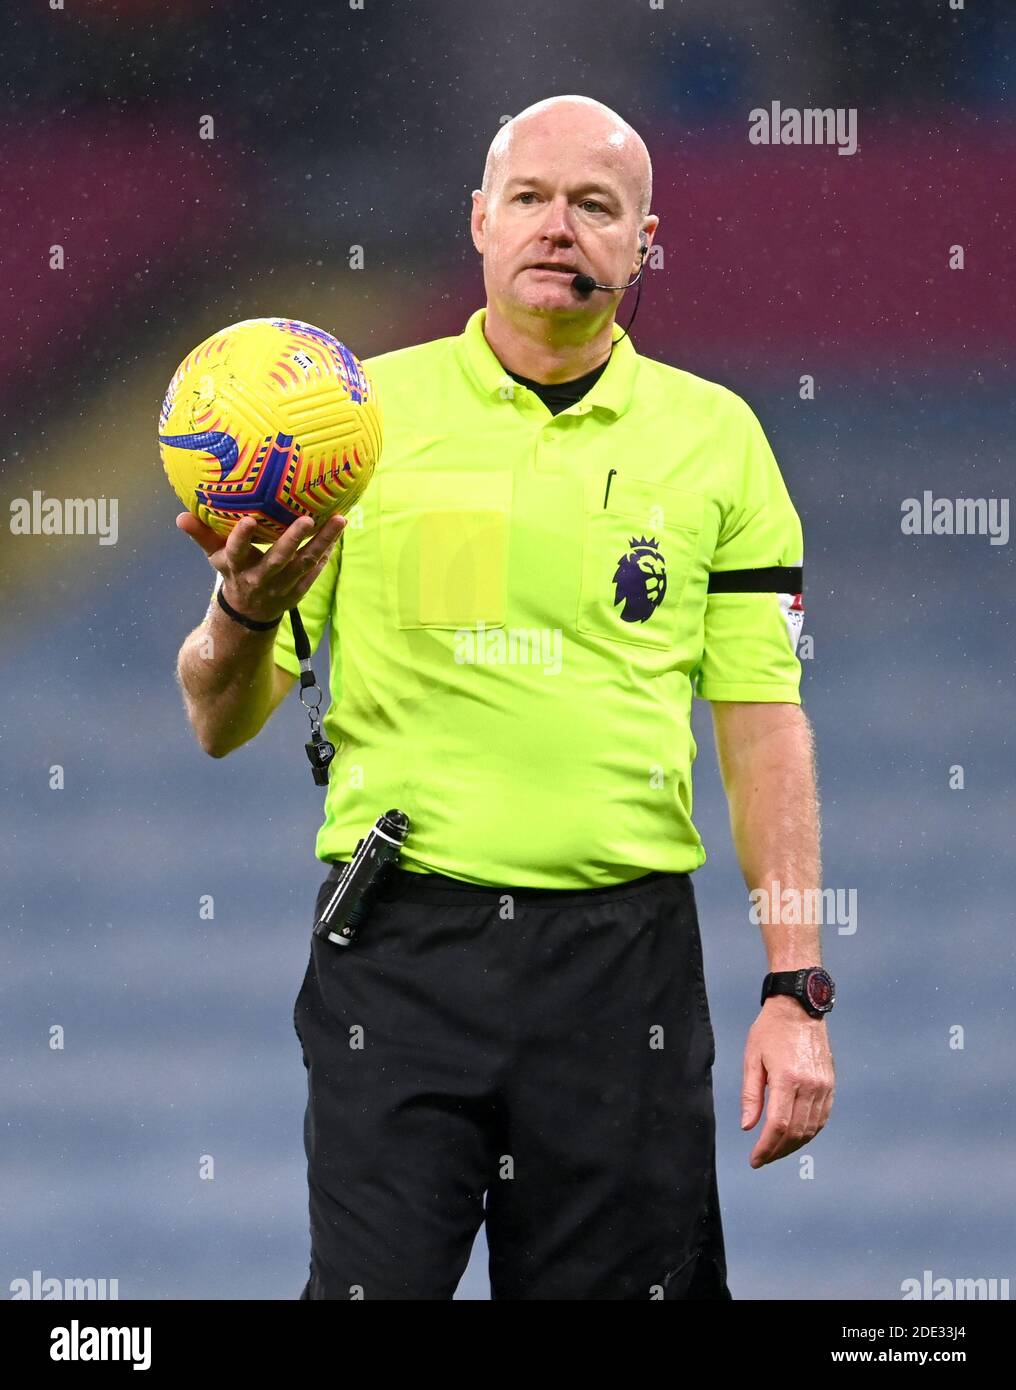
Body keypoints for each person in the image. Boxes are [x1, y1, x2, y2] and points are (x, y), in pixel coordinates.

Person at [175, 94, 836, 1301]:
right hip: (401, 953)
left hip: (619, 967)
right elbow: (217, 718)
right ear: (477, 220)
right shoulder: (349, 425)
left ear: (645, 242)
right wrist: (244, 607)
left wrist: (793, 988)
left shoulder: (718, 440)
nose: (556, 225)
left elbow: (761, 723)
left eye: (595, 205)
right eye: (528, 197)